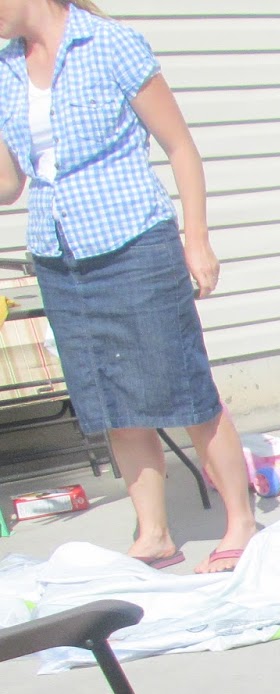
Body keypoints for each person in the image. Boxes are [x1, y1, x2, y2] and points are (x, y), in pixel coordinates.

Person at [0, 0, 254, 573]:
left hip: (134, 244)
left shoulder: (110, 44)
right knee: (110, 400)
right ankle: (154, 534)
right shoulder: (5, 69)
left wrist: (197, 239)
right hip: (59, 256)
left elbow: (181, 147)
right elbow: (10, 185)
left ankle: (240, 520)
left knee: (185, 387)